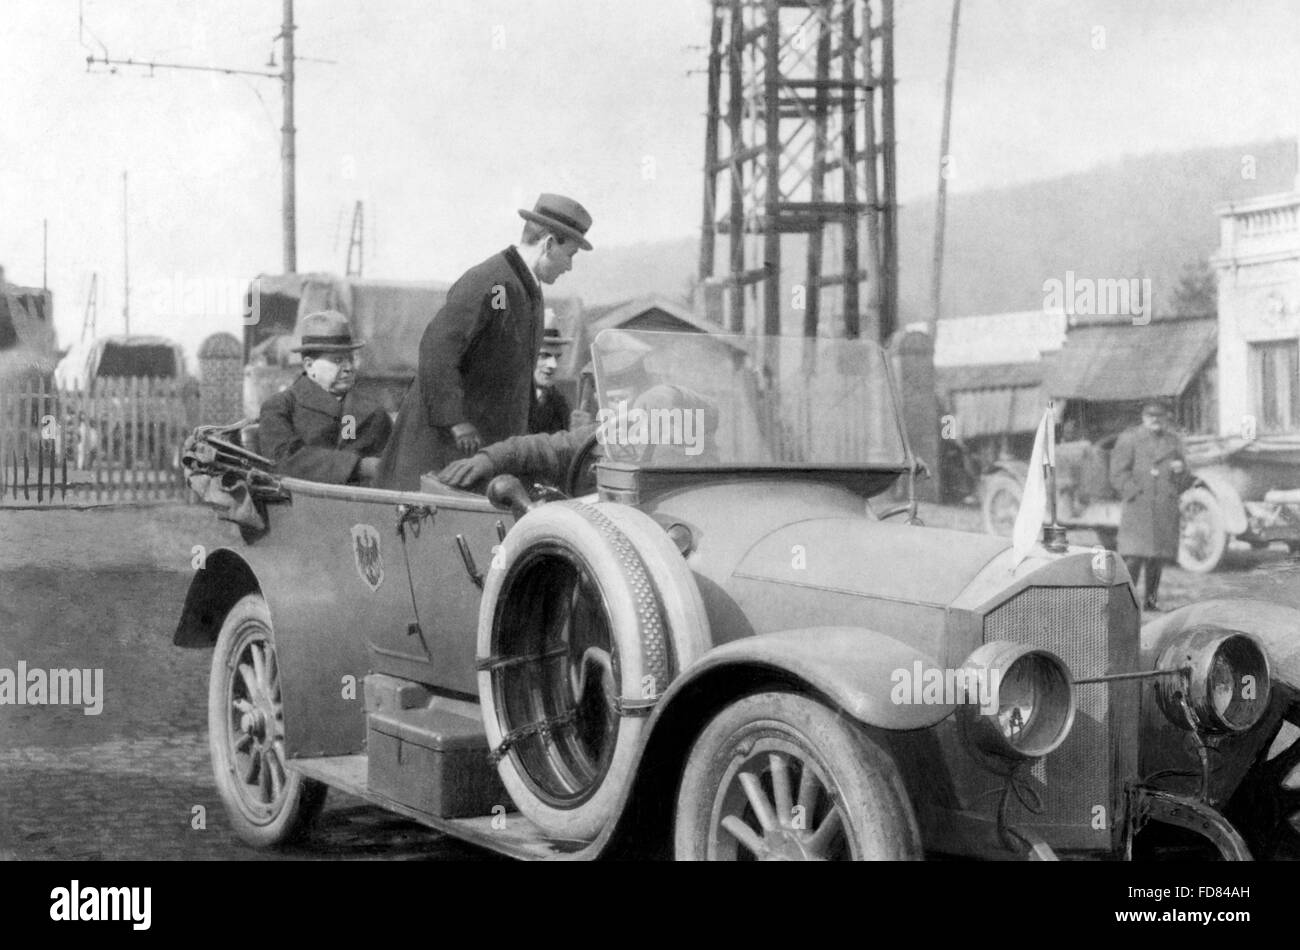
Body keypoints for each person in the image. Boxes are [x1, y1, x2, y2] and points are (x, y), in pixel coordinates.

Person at [377, 194, 593, 489]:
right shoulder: (494, 281)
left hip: (478, 458)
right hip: (440, 454)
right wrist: (456, 422)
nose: (569, 266)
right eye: (570, 255)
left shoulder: (527, 289)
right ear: (549, 244)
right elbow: (437, 349)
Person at [258, 310, 392, 484]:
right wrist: (357, 467)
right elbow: (283, 460)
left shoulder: (374, 413)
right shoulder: (281, 407)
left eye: (350, 359)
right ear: (309, 365)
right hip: (301, 504)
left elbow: (394, 462)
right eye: (337, 361)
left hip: (363, 505)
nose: (348, 368)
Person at [1109, 399, 1190, 611]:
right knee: (1134, 557)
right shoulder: (1130, 439)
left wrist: (1180, 470)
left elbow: (1185, 479)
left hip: (1164, 506)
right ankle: (1125, 603)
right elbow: (1117, 473)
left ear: (1165, 418)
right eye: (1150, 417)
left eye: (1159, 417)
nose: (1155, 420)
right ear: (1144, 418)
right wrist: (1133, 492)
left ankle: (1150, 602)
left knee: (1157, 558)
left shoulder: (1173, 441)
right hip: (1139, 507)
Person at [527, 322, 574, 434]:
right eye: (544, 356)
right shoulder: (510, 400)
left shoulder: (559, 403)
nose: (553, 365)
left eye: (556, 357)